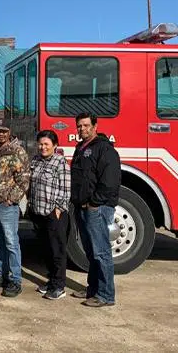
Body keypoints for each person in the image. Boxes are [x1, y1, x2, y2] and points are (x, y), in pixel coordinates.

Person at [69, 112, 121, 307]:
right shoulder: (81, 148)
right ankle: (93, 289)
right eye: (79, 126)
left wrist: (94, 203)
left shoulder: (104, 149)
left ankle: (106, 295)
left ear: (95, 126)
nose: (82, 129)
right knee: (91, 252)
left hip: (96, 209)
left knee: (101, 252)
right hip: (82, 207)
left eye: (85, 125)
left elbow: (109, 181)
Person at [0, 119, 31, 298]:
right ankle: (1, 275)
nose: (0, 134)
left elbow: (24, 178)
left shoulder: (17, 151)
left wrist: (12, 199)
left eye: (4, 131)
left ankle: (15, 279)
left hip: (7, 205)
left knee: (11, 242)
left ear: (9, 132)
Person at [28, 130, 71, 301]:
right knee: (46, 249)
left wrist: (59, 209)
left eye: (46, 144)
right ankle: (51, 281)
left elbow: (66, 188)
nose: (42, 147)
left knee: (57, 250)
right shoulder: (36, 160)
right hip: (38, 212)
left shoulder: (60, 162)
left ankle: (59, 286)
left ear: (55, 145)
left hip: (54, 213)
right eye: (40, 144)